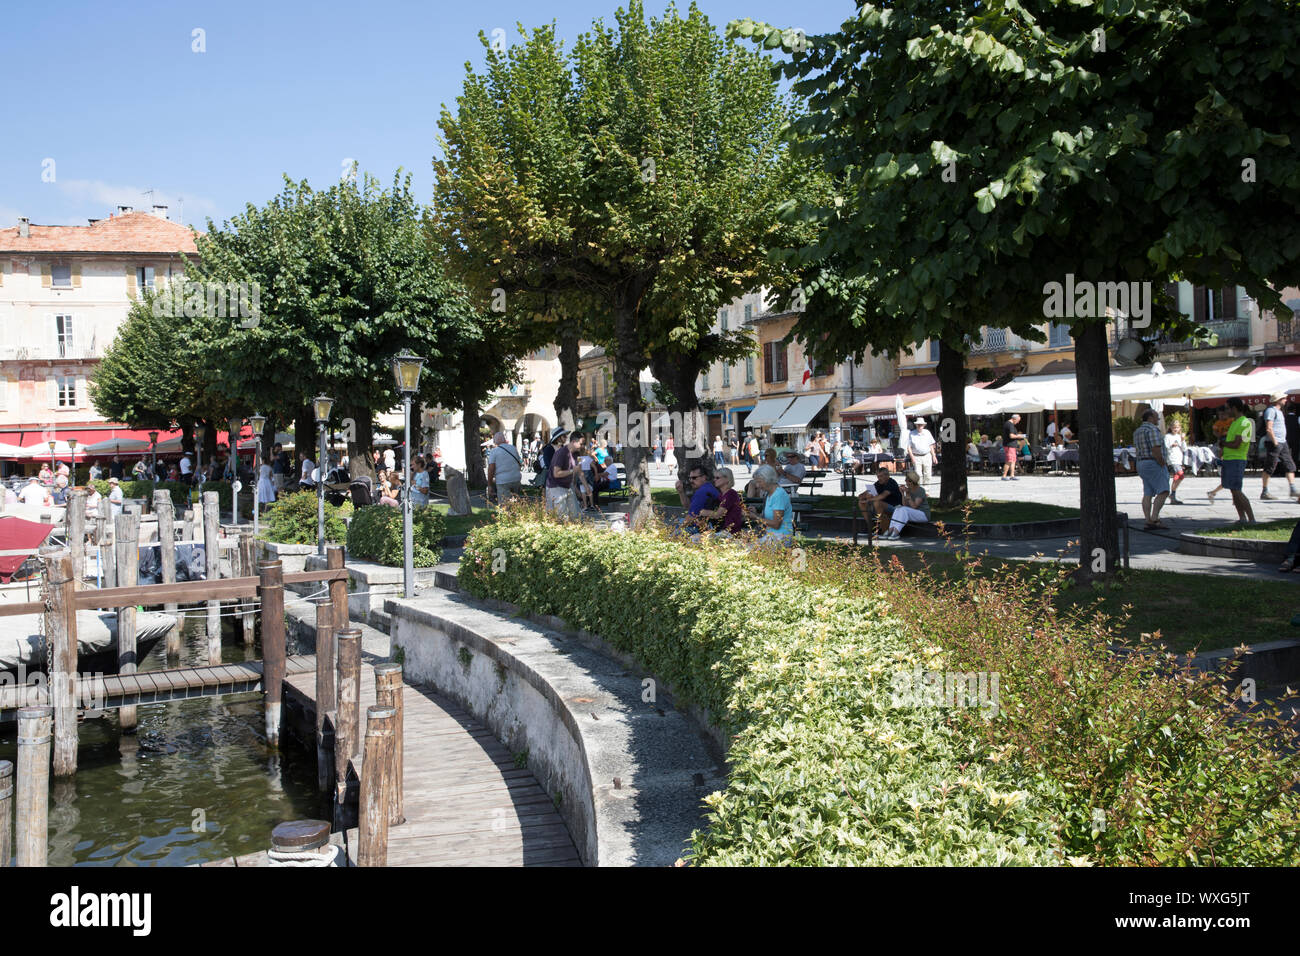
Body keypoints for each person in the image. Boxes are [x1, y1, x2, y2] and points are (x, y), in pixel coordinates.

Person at [1219, 398, 1256, 524]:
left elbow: (1236, 444)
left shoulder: (1244, 422)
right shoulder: (1234, 422)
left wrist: (1223, 443)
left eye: (1228, 408)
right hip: (1230, 459)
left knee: (1236, 490)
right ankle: (1242, 518)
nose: (1226, 411)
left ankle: (1251, 519)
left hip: (1237, 459)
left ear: (1234, 408)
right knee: (1233, 490)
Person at [1133, 409, 1170, 530]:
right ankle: (1155, 518)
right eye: (1156, 417)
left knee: (1148, 492)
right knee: (1164, 490)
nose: (1158, 420)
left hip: (1141, 462)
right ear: (1150, 418)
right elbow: (1155, 449)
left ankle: (1147, 519)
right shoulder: (1152, 430)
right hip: (1153, 462)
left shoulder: (1137, 431)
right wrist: (1162, 462)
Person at [1260, 392, 1299, 500]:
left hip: (1282, 442)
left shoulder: (1280, 411)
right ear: (1278, 400)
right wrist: (1275, 442)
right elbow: (1269, 428)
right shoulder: (1271, 411)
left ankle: (1293, 489)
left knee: (1289, 465)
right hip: (1274, 442)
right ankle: (1265, 491)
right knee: (1270, 467)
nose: (1286, 400)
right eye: (1284, 399)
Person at [745, 465, 793, 546]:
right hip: (771, 536)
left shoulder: (778, 495)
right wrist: (756, 513)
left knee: (745, 549)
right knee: (742, 544)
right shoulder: (769, 494)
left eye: (759, 482)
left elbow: (776, 524)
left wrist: (756, 517)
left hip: (781, 537)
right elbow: (768, 519)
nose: (757, 486)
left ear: (768, 480)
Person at [882, 471, 931, 539]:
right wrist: (902, 493)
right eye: (906, 480)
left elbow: (914, 506)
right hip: (913, 513)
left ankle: (896, 532)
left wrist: (908, 495)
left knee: (903, 509)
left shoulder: (920, 490)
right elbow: (904, 505)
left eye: (907, 481)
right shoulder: (909, 490)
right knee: (898, 508)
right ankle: (890, 530)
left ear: (912, 481)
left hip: (923, 514)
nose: (906, 482)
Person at [675, 464, 721, 533]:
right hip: (711, 525)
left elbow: (690, 517)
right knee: (679, 521)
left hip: (706, 528)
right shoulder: (708, 487)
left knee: (678, 524)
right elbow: (688, 506)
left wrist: (675, 532)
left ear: (704, 477)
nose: (691, 480)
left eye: (694, 478)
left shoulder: (702, 492)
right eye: (690, 478)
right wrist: (681, 492)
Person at [545, 430, 581, 519]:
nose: (566, 438)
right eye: (564, 436)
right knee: (559, 514)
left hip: (566, 483)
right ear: (558, 437)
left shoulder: (567, 449)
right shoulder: (549, 449)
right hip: (555, 484)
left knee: (574, 513)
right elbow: (550, 466)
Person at [859, 466, 903, 535]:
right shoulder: (878, 483)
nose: (879, 478)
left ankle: (885, 530)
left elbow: (882, 496)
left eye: (881, 476)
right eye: (878, 476)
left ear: (887, 475)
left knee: (877, 503)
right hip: (884, 505)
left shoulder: (891, 482)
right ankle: (871, 528)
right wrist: (862, 496)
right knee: (861, 503)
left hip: (896, 507)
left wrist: (869, 500)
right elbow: (866, 492)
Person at [486, 431, 524, 504]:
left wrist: (490, 484)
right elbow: (519, 463)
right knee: (515, 503)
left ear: (495, 441)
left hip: (503, 480)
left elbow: (491, 469)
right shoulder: (513, 448)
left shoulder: (494, 451)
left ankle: (506, 514)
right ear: (504, 439)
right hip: (516, 478)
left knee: (504, 505)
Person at [1165, 419, 1189, 505]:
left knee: (1179, 477)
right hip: (1172, 459)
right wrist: (1172, 445)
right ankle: (1172, 495)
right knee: (1180, 474)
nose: (1175, 429)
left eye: (1177, 427)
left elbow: (1184, 449)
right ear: (1171, 428)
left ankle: (1172, 495)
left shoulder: (1179, 437)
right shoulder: (1168, 436)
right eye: (1174, 427)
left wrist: (1182, 440)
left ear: (1180, 428)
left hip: (1178, 460)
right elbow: (1165, 447)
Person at [907, 418, 937, 485]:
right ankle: (920, 490)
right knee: (918, 475)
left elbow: (931, 445)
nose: (919, 426)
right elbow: (909, 447)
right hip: (916, 456)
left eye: (921, 425)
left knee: (928, 474)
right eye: (918, 425)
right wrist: (912, 457)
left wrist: (934, 456)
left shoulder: (927, 432)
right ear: (916, 425)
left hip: (927, 455)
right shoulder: (911, 434)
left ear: (923, 425)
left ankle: (927, 491)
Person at [1001, 414, 1026, 481]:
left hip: (1011, 445)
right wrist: (1020, 436)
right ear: (1014, 419)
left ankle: (1012, 475)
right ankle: (1004, 476)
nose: (1018, 422)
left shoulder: (1008, 424)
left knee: (1013, 461)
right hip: (1009, 445)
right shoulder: (1010, 425)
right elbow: (1011, 436)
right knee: (1009, 460)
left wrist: (1018, 435)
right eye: (1018, 421)